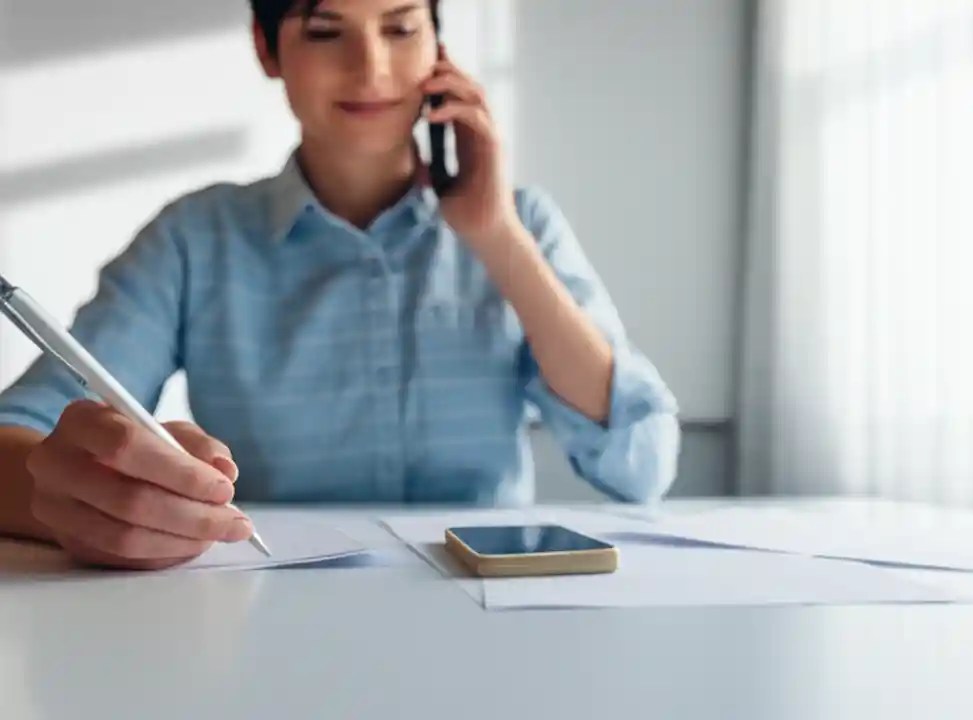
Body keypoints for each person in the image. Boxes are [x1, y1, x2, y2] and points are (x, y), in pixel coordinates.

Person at [0, 0, 679, 570]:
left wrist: (496, 236)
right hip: (274, 608)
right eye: (326, 32)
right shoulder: (194, 240)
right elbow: (15, 434)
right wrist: (73, 499)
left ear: (439, 47)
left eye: (402, 28)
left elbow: (641, 467)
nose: (372, 68)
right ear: (268, 49)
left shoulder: (521, 224)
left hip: (487, 617)